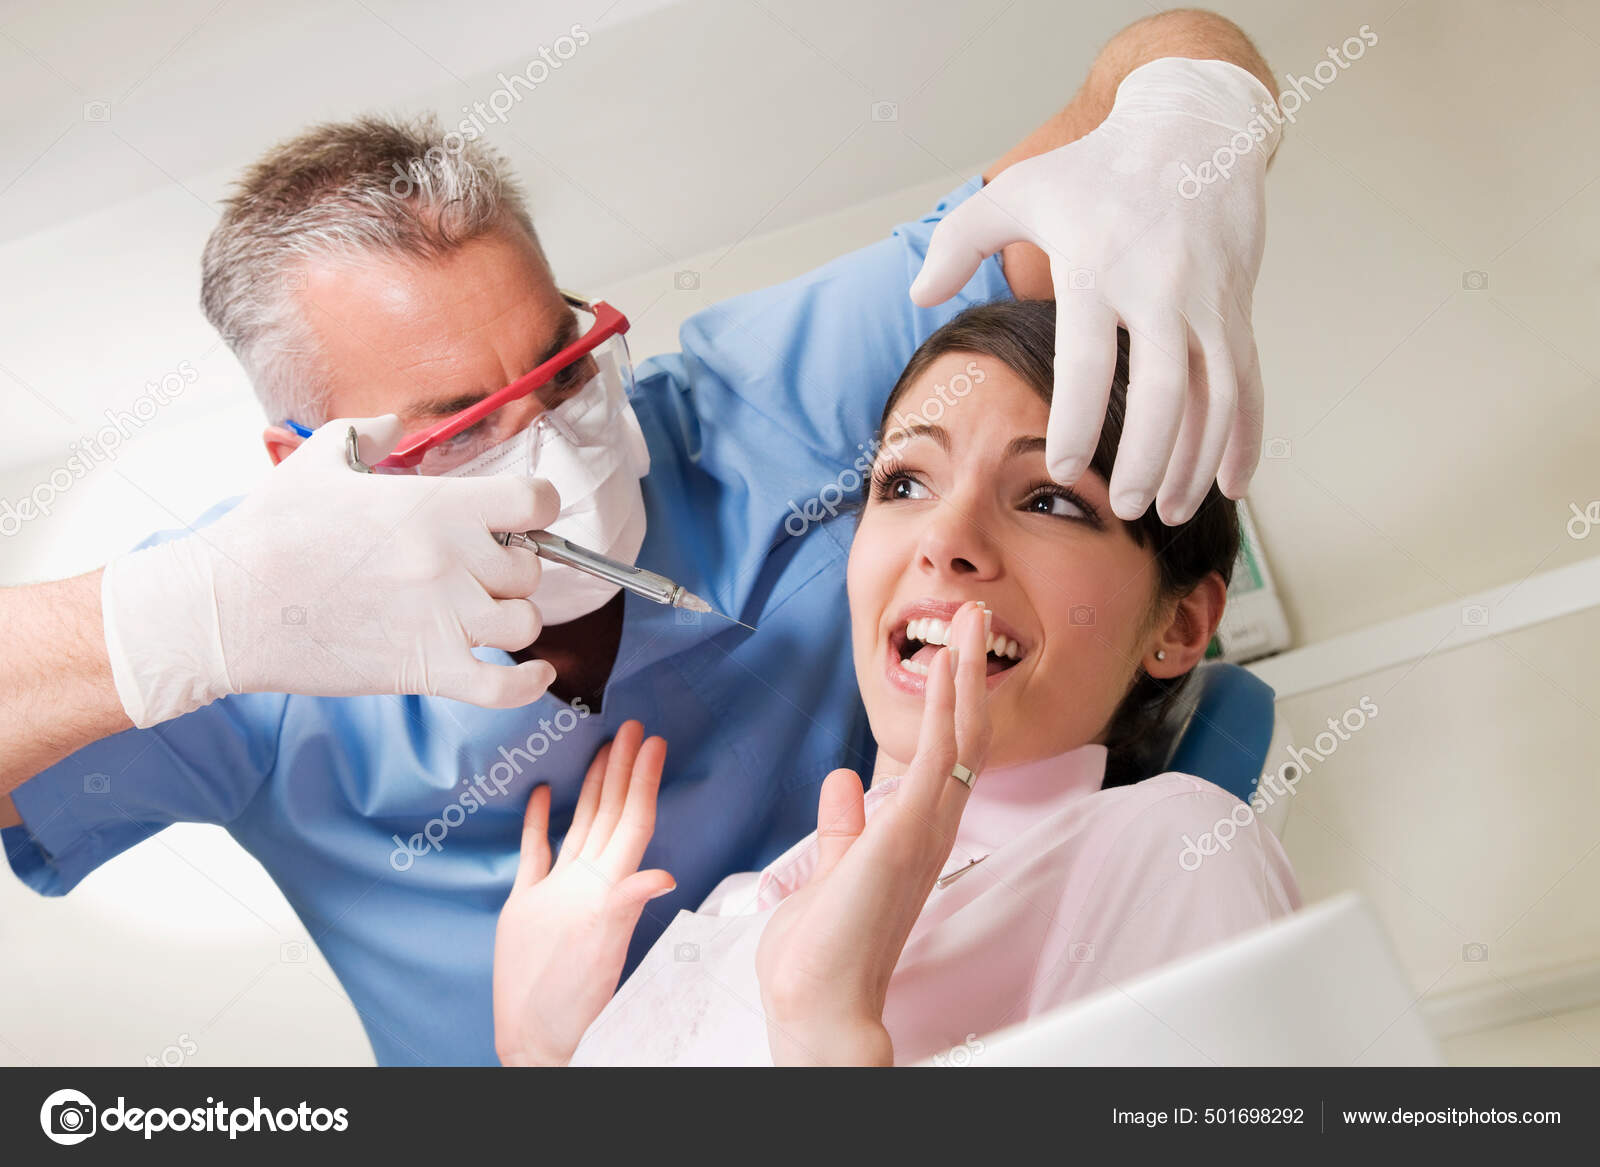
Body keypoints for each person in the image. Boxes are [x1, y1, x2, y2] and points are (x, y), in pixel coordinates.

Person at [2, 11, 1283, 1065]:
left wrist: (1191, 119)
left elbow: (1154, 67)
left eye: (560, 366)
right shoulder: (249, 628)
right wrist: (184, 619)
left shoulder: (752, 404)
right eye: (458, 429)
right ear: (306, 471)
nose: (556, 450)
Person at [492, 300, 1300, 1066]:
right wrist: (543, 1050)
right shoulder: (742, 903)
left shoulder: (1173, 844)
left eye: (1050, 499)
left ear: (1180, 624)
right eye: (905, 484)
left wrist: (828, 1037)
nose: (946, 539)